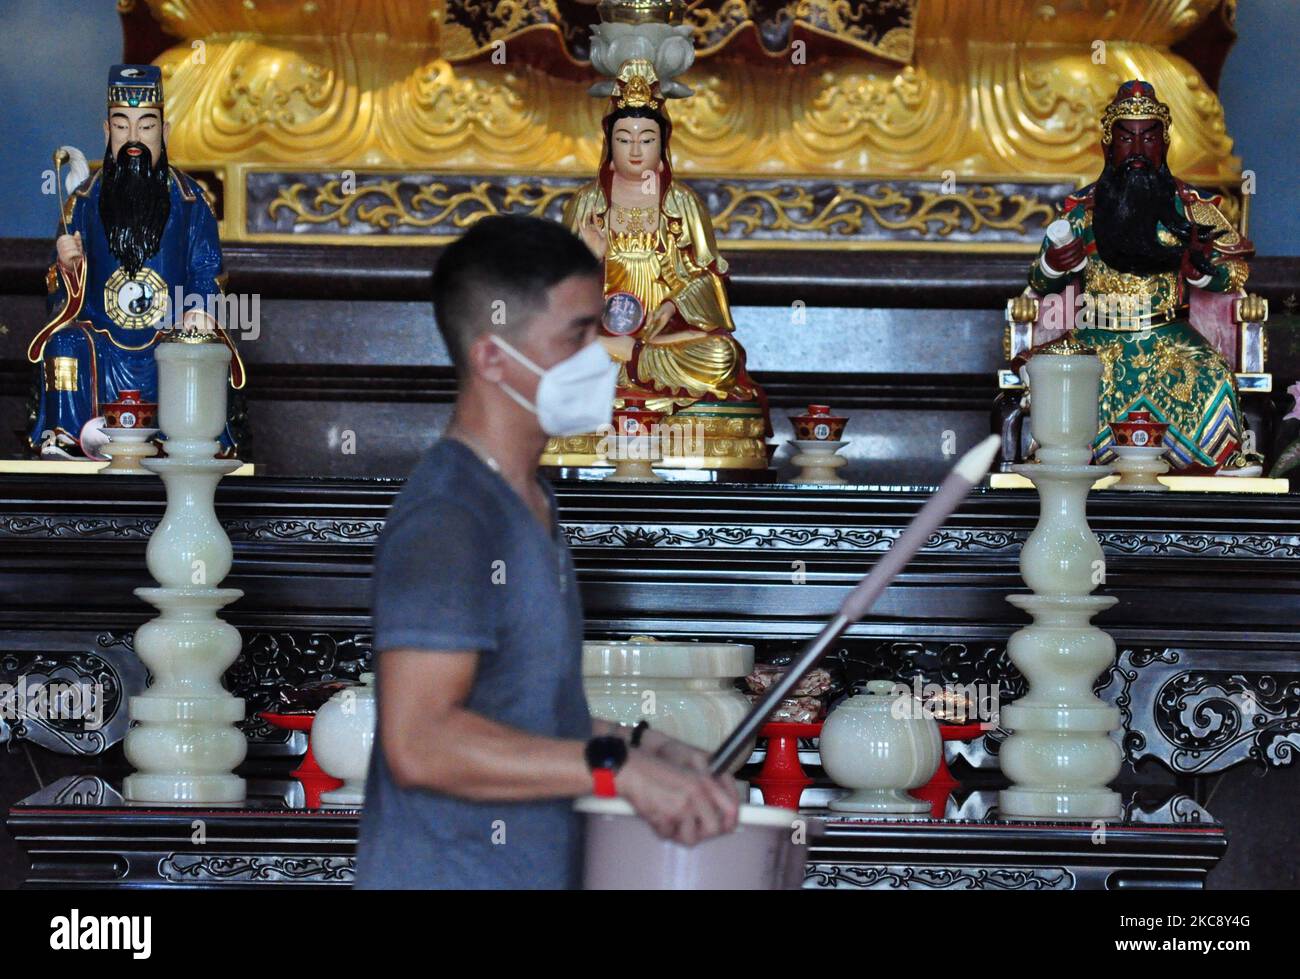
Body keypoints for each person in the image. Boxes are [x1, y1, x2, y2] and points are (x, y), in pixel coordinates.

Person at [353, 214, 740, 890]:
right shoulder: (450, 517)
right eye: (578, 334)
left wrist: (642, 745)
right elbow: (421, 743)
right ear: (494, 358)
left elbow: (526, 712)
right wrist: (615, 772)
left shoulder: (532, 499)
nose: (606, 355)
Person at [1025, 79, 1260, 474]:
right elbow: (1040, 280)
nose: (1137, 150)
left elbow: (1236, 271)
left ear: (1164, 144)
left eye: (1148, 139)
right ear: (1108, 145)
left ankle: (1218, 467)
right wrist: (1055, 263)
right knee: (1067, 379)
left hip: (1168, 335)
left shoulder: (1191, 210)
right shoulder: (1082, 212)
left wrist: (1200, 273)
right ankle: (1066, 465)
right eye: (1126, 139)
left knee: (1212, 373)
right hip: (1096, 337)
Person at [27, 65, 243, 458]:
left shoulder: (191, 200)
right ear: (106, 131)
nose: (134, 139)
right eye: (122, 126)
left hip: (167, 332)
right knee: (65, 343)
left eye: (146, 126)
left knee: (193, 348)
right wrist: (69, 268)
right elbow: (59, 291)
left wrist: (197, 311)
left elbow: (207, 268)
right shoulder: (84, 201)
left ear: (164, 130)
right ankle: (71, 438)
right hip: (102, 339)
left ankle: (182, 440)